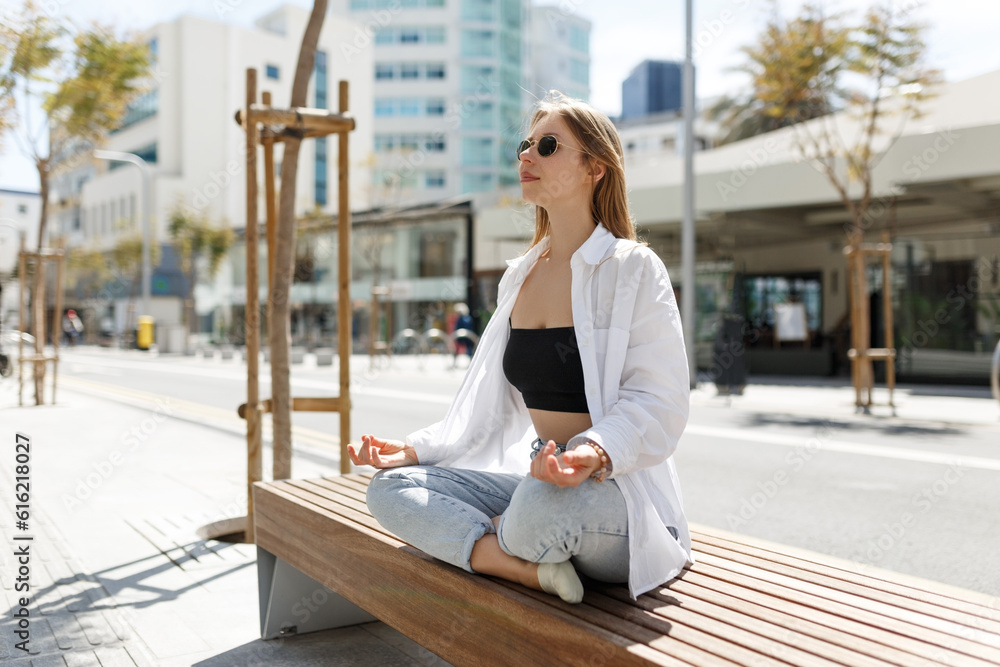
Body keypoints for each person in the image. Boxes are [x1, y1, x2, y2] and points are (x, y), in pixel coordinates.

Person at [348, 92, 691, 604]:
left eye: (547, 145)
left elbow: (661, 401)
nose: (526, 156)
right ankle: (530, 570)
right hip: (535, 482)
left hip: (613, 498)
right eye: (524, 145)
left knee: (540, 505)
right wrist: (416, 450)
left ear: (595, 168)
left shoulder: (632, 268)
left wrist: (592, 453)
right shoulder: (522, 275)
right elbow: (490, 407)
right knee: (391, 489)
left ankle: (498, 540)